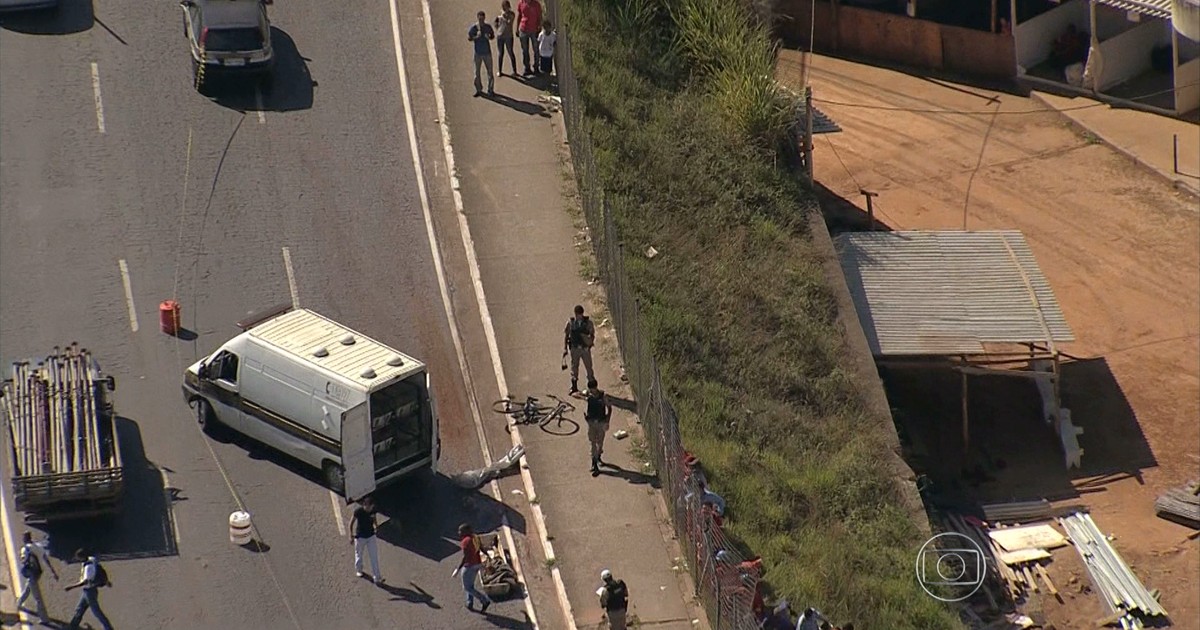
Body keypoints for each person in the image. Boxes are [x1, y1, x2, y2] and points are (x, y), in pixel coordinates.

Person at [64, 549, 113, 630]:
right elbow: (99, 568)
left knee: (97, 612)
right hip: (88, 591)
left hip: (90, 592)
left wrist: (71, 587)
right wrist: (107, 582)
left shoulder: (88, 567)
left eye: (78, 557)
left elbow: (85, 581)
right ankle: (73, 626)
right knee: (80, 608)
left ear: (82, 557)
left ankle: (108, 628)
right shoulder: (92, 560)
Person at [17, 531, 58, 623]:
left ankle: (44, 618)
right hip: (38, 573)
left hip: (31, 573)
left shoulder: (26, 549)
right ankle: (19, 602)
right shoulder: (38, 546)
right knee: (28, 587)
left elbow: (24, 562)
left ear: (25, 539)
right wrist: (53, 572)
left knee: (37, 597)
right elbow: (46, 559)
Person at [455, 524, 492, 612]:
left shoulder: (465, 542)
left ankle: (484, 600)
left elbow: (466, 557)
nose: (459, 533)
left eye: (461, 531)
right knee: (470, 584)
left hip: (469, 566)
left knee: (467, 588)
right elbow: (481, 548)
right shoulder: (475, 537)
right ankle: (469, 603)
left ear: (466, 531)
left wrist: (458, 568)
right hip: (477, 564)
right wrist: (488, 555)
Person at [350, 495, 384, 584]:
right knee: (359, 554)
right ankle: (359, 570)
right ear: (364, 505)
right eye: (368, 507)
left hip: (371, 536)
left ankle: (377, 577)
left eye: (371, 506)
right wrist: (351, 535)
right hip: (360, 537)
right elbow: (351, 522)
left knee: (374, 556)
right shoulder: (358, 512)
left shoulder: (373, 510)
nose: (370, 509)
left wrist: (376, 527)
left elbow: (374, 518)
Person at [563, 304, 595, 394]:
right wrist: (565, 348)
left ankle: (592, 388)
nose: (579, 316)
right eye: (578, 314)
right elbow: (566, 335)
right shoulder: (570, 323)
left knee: (589, 368)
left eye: (580, 314)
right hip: (575, 348)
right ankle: (574, 387)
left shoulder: (588, 323)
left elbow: (592, 335)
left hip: (585, 349)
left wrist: (589, 344)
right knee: (574, 367)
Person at [584, 379, 612, 476]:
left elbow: (609, 408)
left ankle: (598, 455)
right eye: (590, 390)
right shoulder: (589, 396)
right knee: (592, 442)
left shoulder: (603, 396)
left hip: (601, 422)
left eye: (593, 389)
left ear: (596, 387)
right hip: (591, 422)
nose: (591, 391)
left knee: (600, 442)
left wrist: (607, 420)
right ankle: (594, 462)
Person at [468, 10, 496, 96]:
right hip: (478, 53)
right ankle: (478, 89)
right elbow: (469, 38)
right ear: (478, 18)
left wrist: (489, 37)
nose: (481, 20)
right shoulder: (474, 28)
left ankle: (490, 90)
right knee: (477, 72)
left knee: (490, 72)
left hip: (487, 52)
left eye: (483, 19)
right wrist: (476, 36)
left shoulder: (488, 27)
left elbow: (492, 36)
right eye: (480, 19)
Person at [516, 0, 542, 75]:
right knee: (525, 50)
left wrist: (539, 27)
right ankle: (527, 68)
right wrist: (517, 28)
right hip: (523, 29)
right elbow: (519, 15)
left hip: (534, 30)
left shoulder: (536, 4)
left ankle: (536, 67)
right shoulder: (521, 3)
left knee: (536, 50)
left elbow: (540, 16)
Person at [494, 1, 517, 76]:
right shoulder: (499, 15)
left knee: (510, 52)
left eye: (506, 6)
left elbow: (509, 22)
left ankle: (514, 71)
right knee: (501, 53)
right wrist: (497, 24)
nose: (504, 8)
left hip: (508, 36)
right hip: (500, 36)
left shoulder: (511, 14)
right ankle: (500, 71)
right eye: (503, 6)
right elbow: (496, 24)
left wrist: (504, 16)